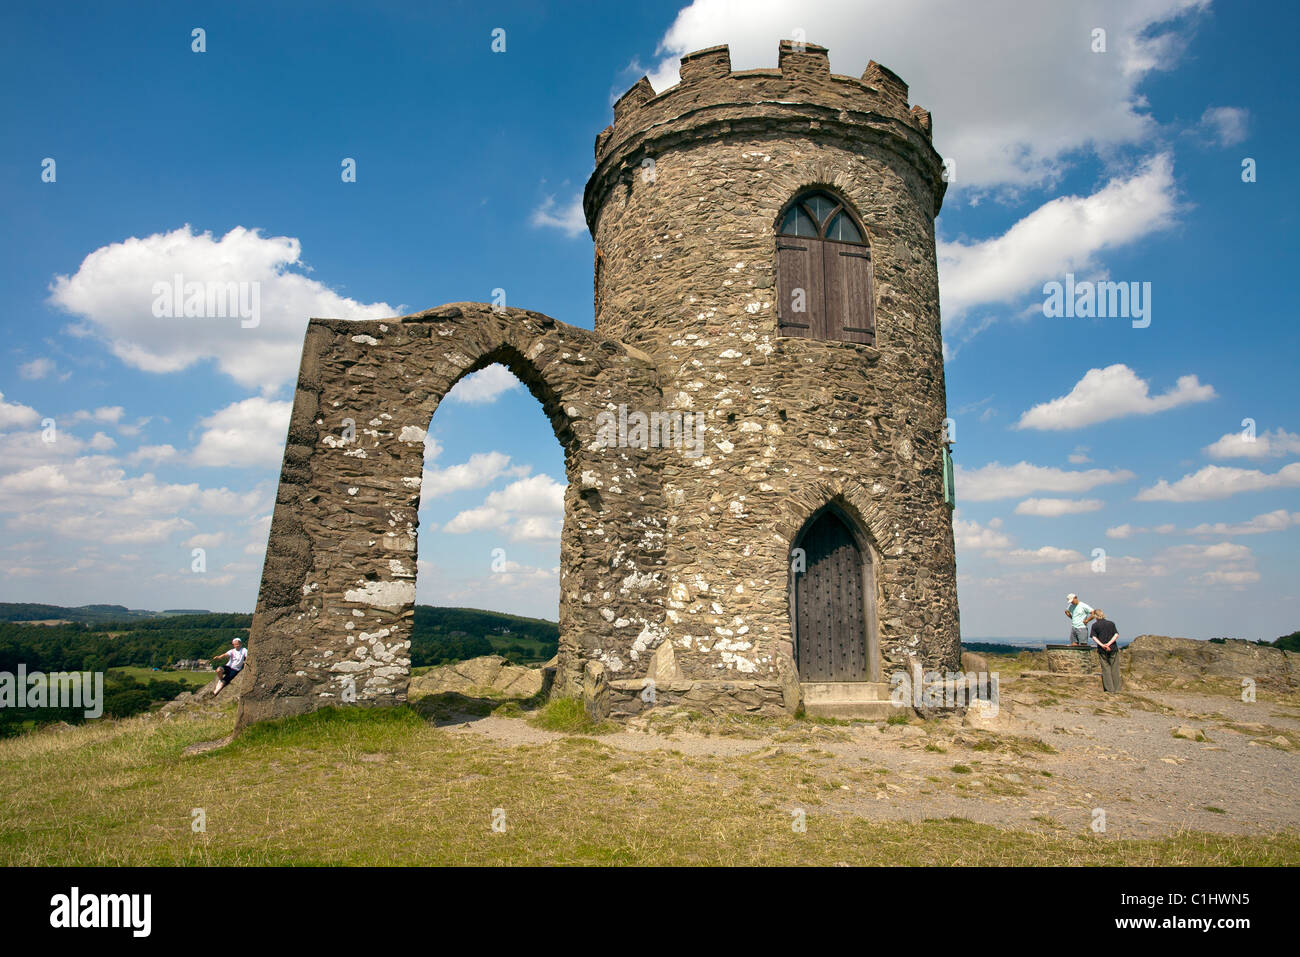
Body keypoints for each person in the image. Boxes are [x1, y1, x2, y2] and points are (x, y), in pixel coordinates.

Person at [1089, 609, 1122, 692]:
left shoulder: (1095, 625)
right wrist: (1109, 644)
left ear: (1096, 616)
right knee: (1115, 668)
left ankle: (1109, 689)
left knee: (1106, 669)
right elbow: (1116, 635)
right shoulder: (1111, 623)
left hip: (1102, 649)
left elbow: (1094, 637)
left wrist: (1103, 645)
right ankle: (1117, 689)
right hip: (1113, 648)